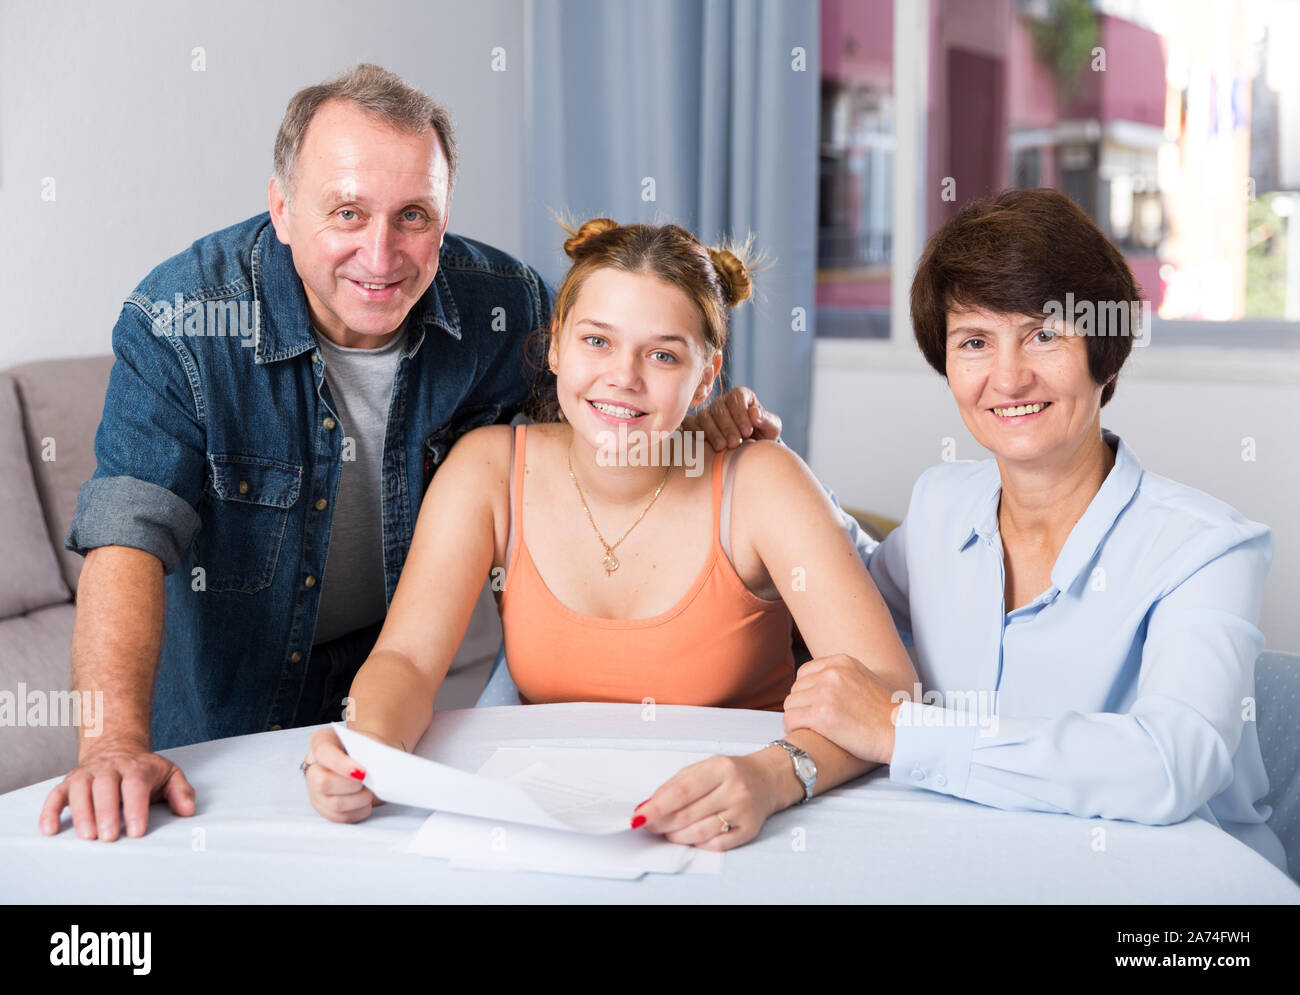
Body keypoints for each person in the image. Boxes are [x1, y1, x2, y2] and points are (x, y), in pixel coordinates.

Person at [38, 64, 772, 844]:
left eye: (414, 216)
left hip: (429, 722)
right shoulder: (182, 319)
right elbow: (128, 534)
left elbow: (599, 423)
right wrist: (113, 743)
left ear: (447, 214)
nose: (381, 254)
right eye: (347, 212)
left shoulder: (506, 307)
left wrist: (696, 429)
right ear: (282, 208)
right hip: (229, 719)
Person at [302, 218, 917, 850]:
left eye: (662, 354)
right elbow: (405, 660)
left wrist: (772, 777)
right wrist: (367, 747)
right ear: (555, 348)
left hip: (745, 832)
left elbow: (889, 694)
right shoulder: (489, 470)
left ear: (705, 377)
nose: (623, 377)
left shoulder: (762, 483)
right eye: (597, 341)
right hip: (558, 827)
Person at [781, 187, 1288, 874]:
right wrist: (761, 469)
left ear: (1104, 354)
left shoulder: (1207, 549)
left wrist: (902, 729)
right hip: (982, 868)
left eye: (1044, 334)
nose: (1009, 376)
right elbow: (844, 584)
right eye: (975, 341)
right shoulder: (940, 506)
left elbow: (1170, 764)